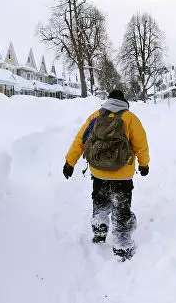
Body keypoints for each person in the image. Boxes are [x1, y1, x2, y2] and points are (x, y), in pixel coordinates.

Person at [63, 90, 150, 261]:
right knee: (121, 209)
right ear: (124, 102)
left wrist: (69, 162)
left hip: (99, 172)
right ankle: (121, 246)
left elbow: (80, 140)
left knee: (100, 201)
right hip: (122, 175)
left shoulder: (96, 115)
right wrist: (144, 164)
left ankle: (100, 228)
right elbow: (141, 144)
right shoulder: (130, 118)